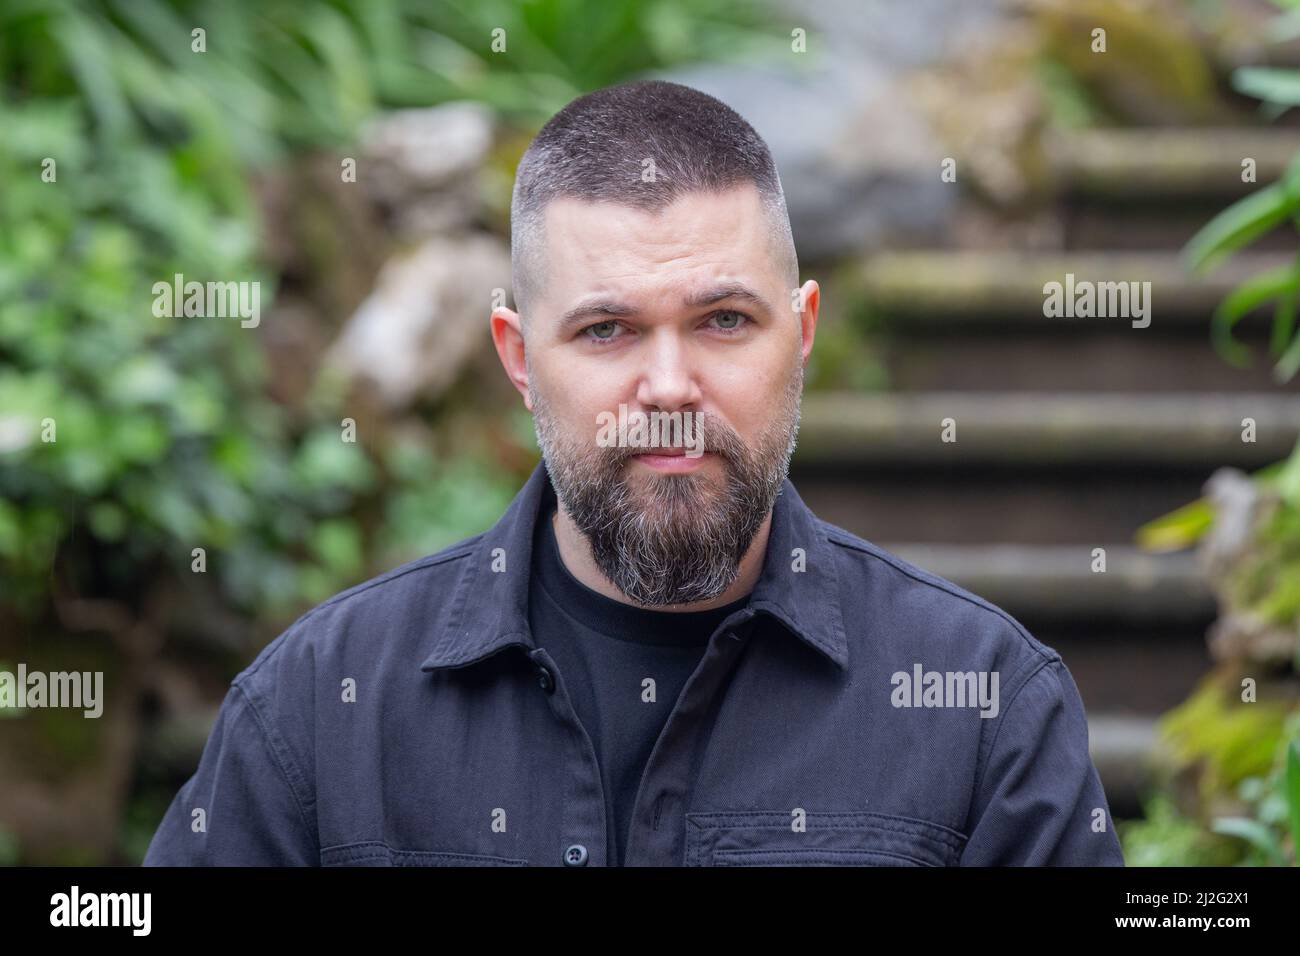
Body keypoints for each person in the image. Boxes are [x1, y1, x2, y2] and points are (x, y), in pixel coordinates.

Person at [143, 80, 1124, 867]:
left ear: (804, 331)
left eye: (724, 320)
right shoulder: (320, 710)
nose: (667, 386)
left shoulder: (983, 708)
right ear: (519, 358)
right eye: (606, 329)